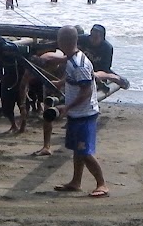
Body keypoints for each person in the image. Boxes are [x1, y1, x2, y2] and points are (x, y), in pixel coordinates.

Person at [39, 25, 108, 197]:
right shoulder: (71, 59)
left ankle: (102, 184)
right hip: (76, 113)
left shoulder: (79, 64)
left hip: (85, 114)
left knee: (84, 152)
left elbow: (87, 91)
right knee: (78, 150)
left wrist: (67, 107)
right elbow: (71, 77)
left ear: (63, 42)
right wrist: (61, 83)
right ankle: (76, 182)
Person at [0, 48, 26, 135]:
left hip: (21, 80)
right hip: (7, 80)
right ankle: (13, 124)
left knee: (23, 105)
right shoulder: (2, 55)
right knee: (7, 106)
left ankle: (23, 126)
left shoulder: (22, 53)